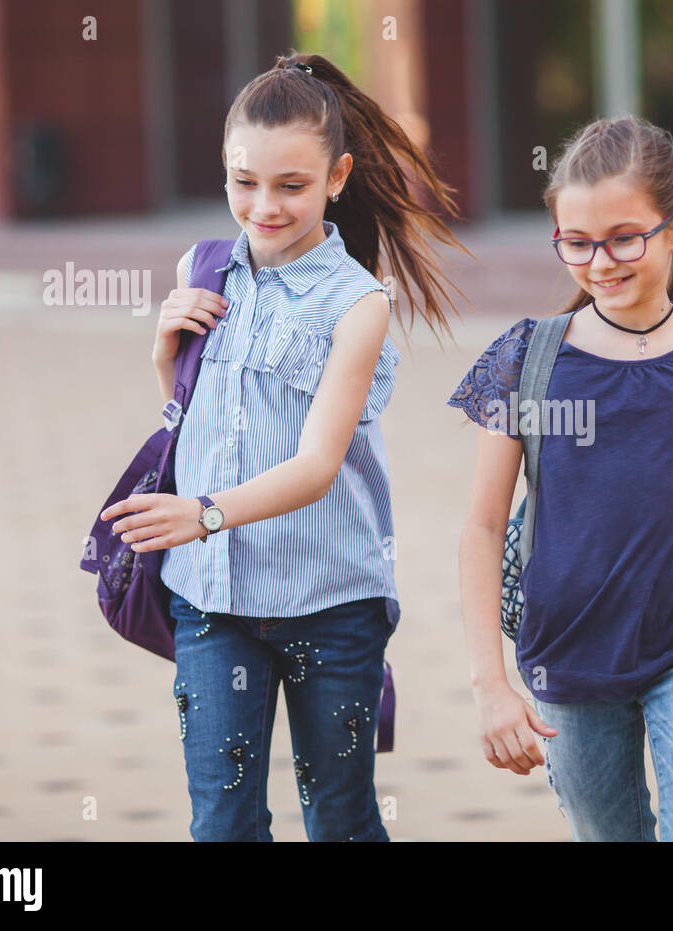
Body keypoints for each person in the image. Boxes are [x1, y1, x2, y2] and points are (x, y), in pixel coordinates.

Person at [100, 52, 469, 841]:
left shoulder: (358, 304)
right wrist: (164, 353)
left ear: (337, 177)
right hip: (214, 600)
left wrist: (199, 514)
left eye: (291, 186)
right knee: (222, 822)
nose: (263, 206)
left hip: (330, 604)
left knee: (339, 819)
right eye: (245, 182)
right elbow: (191, 417)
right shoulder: (202, 268)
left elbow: (316, 464)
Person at [448, 116, 673, 842]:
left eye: (624, 237)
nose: (600, 261)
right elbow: (481, 525)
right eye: (576, 242)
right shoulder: (527, 359)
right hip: (570, 658)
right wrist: (490, 685)